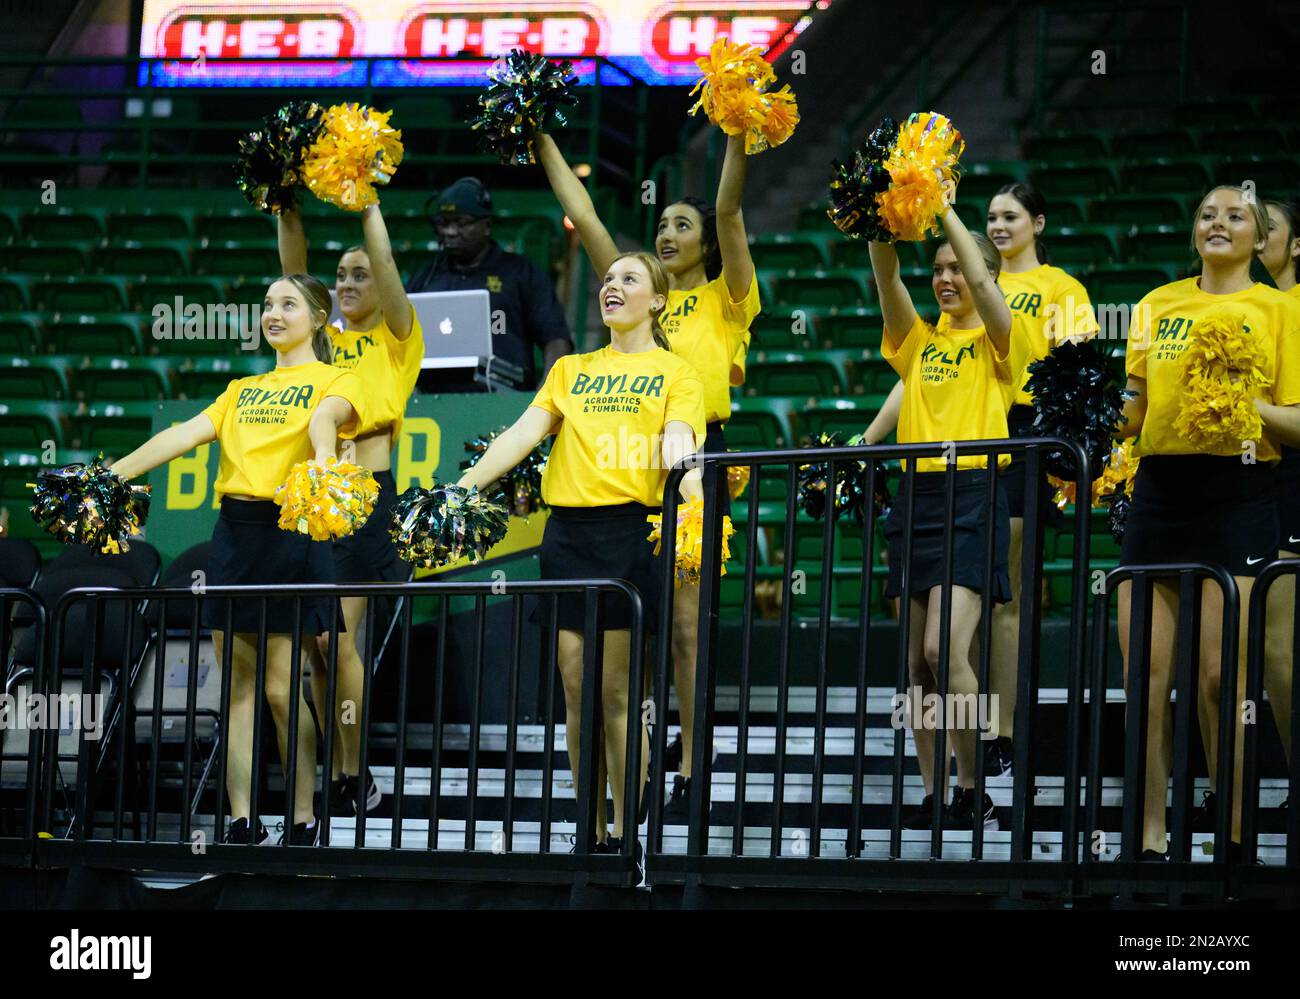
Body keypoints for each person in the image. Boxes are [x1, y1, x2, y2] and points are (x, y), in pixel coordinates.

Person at [533, 128, 758, 821]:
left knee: (685, 626)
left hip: (692, 456)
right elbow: (588, 215)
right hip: (628, 462)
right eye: (661, 224)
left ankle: (692, 762)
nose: (666, 234)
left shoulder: (728, 294)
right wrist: (539, 132)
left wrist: (739, 126)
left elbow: (729, 209)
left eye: (681, 225)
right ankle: (632, 764)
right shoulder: (635, 287)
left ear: (705, 241)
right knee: (625, 637)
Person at [456, 251, 706, 866]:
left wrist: (687, 474)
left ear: (658, 301)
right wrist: (466, 487)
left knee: (616, 692)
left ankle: (628, 835)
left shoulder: (678, 373)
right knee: (574, 688)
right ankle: (589, 828)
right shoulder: (569, 369)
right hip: (568, 536)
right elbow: (522, 433)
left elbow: (681, 436)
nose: (611, 287)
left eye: (629, 280)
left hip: (630, 534)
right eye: (607, 280)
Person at [110, 274, 365, 846]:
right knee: (238, 691)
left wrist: (323, 461)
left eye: (289, 304)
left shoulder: (337, 377)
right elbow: (180, 437)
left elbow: (327, 420)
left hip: (292, 536)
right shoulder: (239, 390)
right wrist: (112, 475)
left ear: (319, 317)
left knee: (282, 689)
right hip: (236, 536)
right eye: (269, 304)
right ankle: (242, 818)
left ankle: (302, 817)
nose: (274, 313)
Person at [1117, 186, 1300, 861]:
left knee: (1223, 679)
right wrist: (1095, 408)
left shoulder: (1281, 309)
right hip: (1160, 492)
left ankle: (1234, 835)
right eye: (1206, 213)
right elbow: (1133, 407)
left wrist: (1244, 404)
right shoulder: (1154, 305)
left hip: (1242, 490)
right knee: (1146, 675)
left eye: (1236, 214)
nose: (1218, 222)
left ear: (1260, 236)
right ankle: (1149, 836)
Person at [867, 187, 1029, 832]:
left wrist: (944, 208)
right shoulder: (918, 343)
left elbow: (991, 290)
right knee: (916, 665)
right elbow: (886, 276)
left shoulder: (1001, 338)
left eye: (955, 267)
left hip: (974, 493)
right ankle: (937, 793)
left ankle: (972, 783)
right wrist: (875, 214)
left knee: (942, 649)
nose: (944, 278)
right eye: (936, 269)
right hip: (918, 496)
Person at [278, 202, 422, 819]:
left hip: (363, 497)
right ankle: (328, 771)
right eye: (340, 275)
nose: (347, 283)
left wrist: (368, 204)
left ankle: (354, 767)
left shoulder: (396, 339)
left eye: (359, 274)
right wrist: (284, 200)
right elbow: (293, 269)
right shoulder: (322, 342)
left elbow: (385, 259)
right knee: (316, 646)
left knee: (338, 641)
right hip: (313, 497)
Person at [982, 182, 1098, 776]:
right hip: (973, 431)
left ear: (1039, 223)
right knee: (966, 594)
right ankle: (968, 726)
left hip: (1029, 434)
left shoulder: (1061, 288)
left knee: (1007, 590)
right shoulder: (978, 281)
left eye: (1011, 216)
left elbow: (1079, 375)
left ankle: (1002, 729)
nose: (999, 226)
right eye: (992, 218)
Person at [406, 176, 572, 388]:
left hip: (505, 397)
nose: (450, 231)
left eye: (461, 222)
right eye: (444, 223)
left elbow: (556, 337)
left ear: (486, 225)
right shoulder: (425, 279)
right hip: (434, 397)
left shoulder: (520, 272)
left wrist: (547, 393)